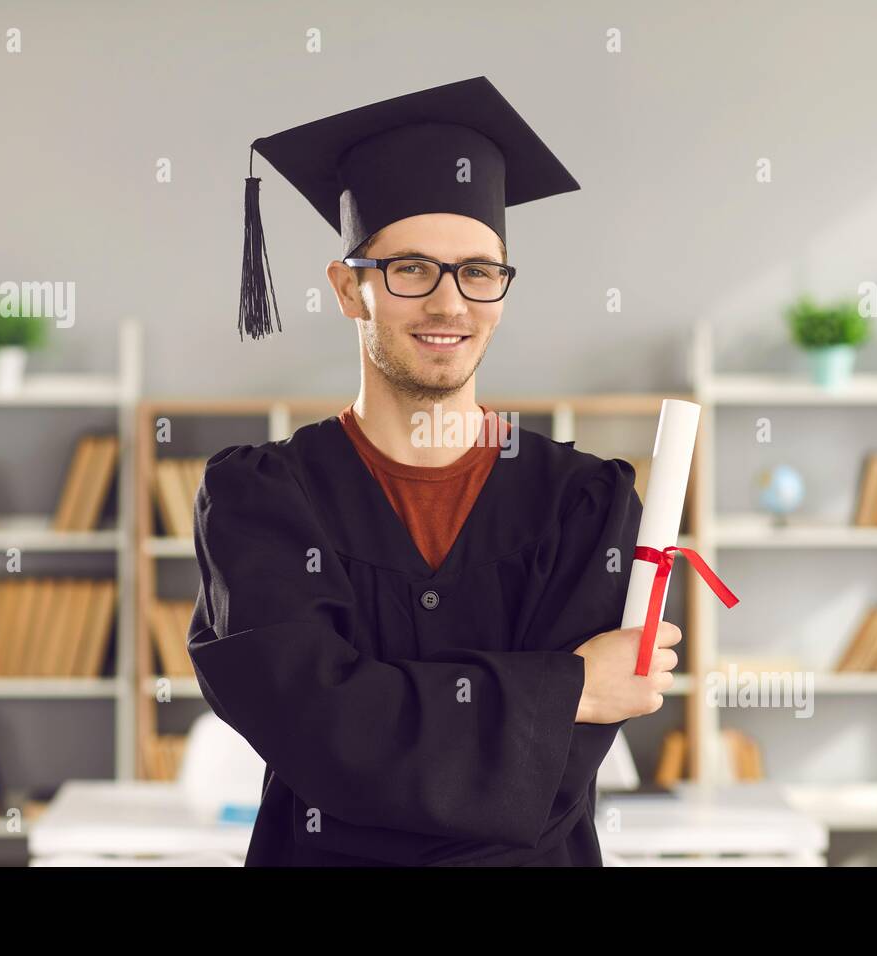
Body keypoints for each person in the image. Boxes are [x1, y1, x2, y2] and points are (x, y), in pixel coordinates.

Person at [187, 76, 679, 866]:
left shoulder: (587, 507)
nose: (450, 303)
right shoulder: (256, 502)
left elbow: (553, 785)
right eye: (411, 268)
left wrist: (381, 724)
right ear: (351, 289)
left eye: (479, 271)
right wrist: (568, 689)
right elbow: (316, 739)